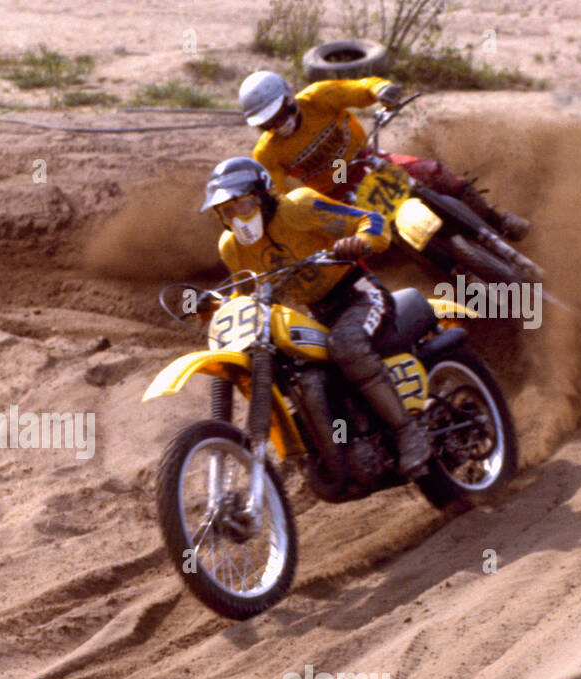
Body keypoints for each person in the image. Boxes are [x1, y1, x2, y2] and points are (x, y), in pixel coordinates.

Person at [200, 156, 431, 478]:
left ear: (264, 196)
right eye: (227, 211)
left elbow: (372, 221)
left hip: (359, 294)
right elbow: (247, 292)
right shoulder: (232, 247)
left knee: (347, 344)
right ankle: (337, 444)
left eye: (244, 205)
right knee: (297, 368)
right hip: (317, 313)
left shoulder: (298, 207)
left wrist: (359, 242)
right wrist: (220, 307)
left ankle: (408, 431)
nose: (238, 217)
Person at [237, 70, 528, 241]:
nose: (277, 124)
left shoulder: (318, 97)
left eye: (278, 114)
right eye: (266, 122)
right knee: (361, 247)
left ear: (289, 98)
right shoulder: (266, 152)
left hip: (369, 160)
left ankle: (495, 219)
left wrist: (382, 90)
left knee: (437, 175)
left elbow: (362, 88)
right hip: (335, 194)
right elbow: (278, 196)